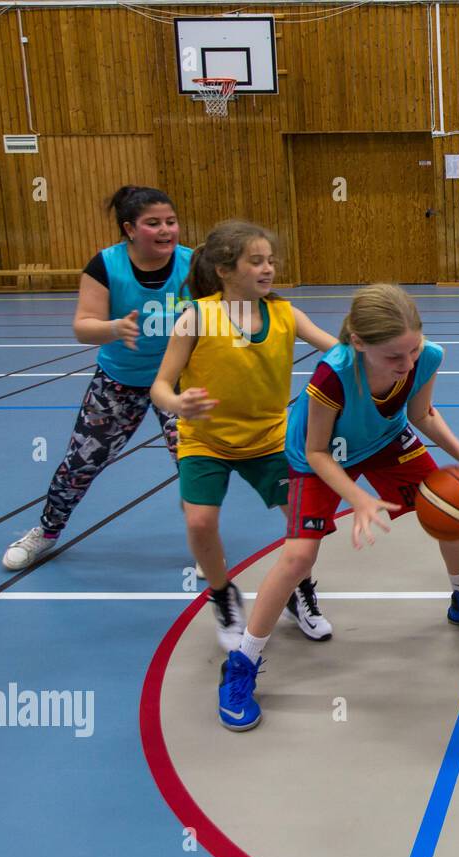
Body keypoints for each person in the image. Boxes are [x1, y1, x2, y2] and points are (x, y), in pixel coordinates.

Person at [215, 284, 459, 731]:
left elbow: (422, 413)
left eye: (412, 350)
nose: (407, 363)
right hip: (317, 455)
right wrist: (357, 498)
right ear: (358, 343)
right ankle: (241, 664)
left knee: (449, 512)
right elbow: (317, 453)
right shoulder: (332, 375)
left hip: (384, 439)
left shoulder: (427, 356)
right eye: (394, 357)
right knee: (298, 556)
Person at [151, 220, 339, 651]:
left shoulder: (286, 314)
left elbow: (338, 349)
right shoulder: (195, 317)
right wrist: (178, 404)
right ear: (223, 269)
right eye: (255, 261)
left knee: (303, 525)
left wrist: (381, 349)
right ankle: (223, 595)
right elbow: (160, 385)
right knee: (200, 521)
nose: (267, 268)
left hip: (271, 440)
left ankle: (298, 590)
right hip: (205, 441)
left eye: (270, 260)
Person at [3, 186, 191, 570]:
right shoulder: (105, 266)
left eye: (170, 221)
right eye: (153, 223)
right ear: (129, 229)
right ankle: (46, 531)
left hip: (177, 381)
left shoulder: (192, 264)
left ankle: (206, 542)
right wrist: (115, 328)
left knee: (195, 463)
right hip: (118, 384)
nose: (165, 230)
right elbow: (83, 328)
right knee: (80, 463)